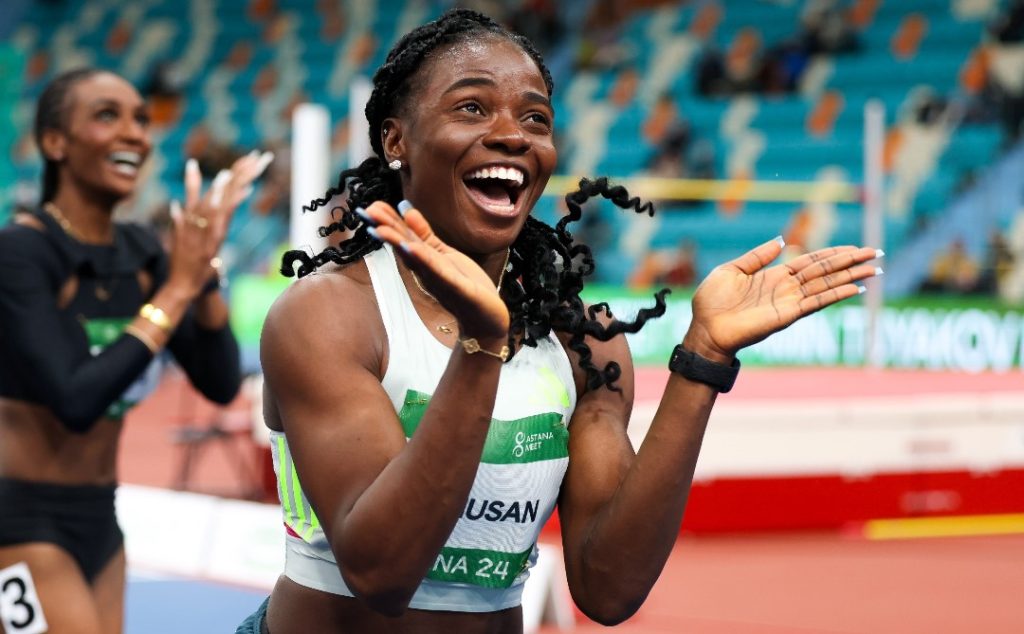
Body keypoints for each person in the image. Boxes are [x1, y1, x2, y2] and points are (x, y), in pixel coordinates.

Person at [238, 9, 882, 633]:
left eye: (535, 118)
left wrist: (702, 360)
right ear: (395, 139)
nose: (513, 134)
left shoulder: (581, 341)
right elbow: (382, 572)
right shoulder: (328, 315)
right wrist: (482, 348)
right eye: (471, 107)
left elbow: (608, 588)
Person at [0, 68, 272, 634]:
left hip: (101, 515)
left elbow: (219, 383)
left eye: (141, 121)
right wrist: (176, 289)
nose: (135, 134)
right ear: (55, 142)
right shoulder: (23, 253)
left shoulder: (144, 252)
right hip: (19, 516)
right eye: (108, 116)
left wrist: (204, 278)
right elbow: (76, 401)